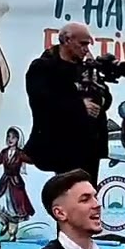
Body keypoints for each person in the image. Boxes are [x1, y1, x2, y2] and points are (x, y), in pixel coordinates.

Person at [23, 22, 107, 179]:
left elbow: (105, 97)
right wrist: (80, 106)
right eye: (82, 44)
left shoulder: (87, 68)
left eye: (88, 44)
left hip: (89, 146)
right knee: (66, 193)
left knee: (87, 192)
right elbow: (42, 101)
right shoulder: (43, 67)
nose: (86, 49)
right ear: (67, 40)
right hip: (60, 144)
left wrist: (100, 98)